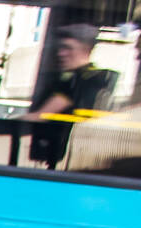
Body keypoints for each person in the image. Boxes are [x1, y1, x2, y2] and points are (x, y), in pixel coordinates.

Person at [28, 24, 118, 166]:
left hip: (62, 157)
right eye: (60, 48)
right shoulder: (92, 78)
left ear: (86, 49)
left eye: (68, 48)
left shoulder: (77, 81)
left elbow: (39, 116)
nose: (61, 53)